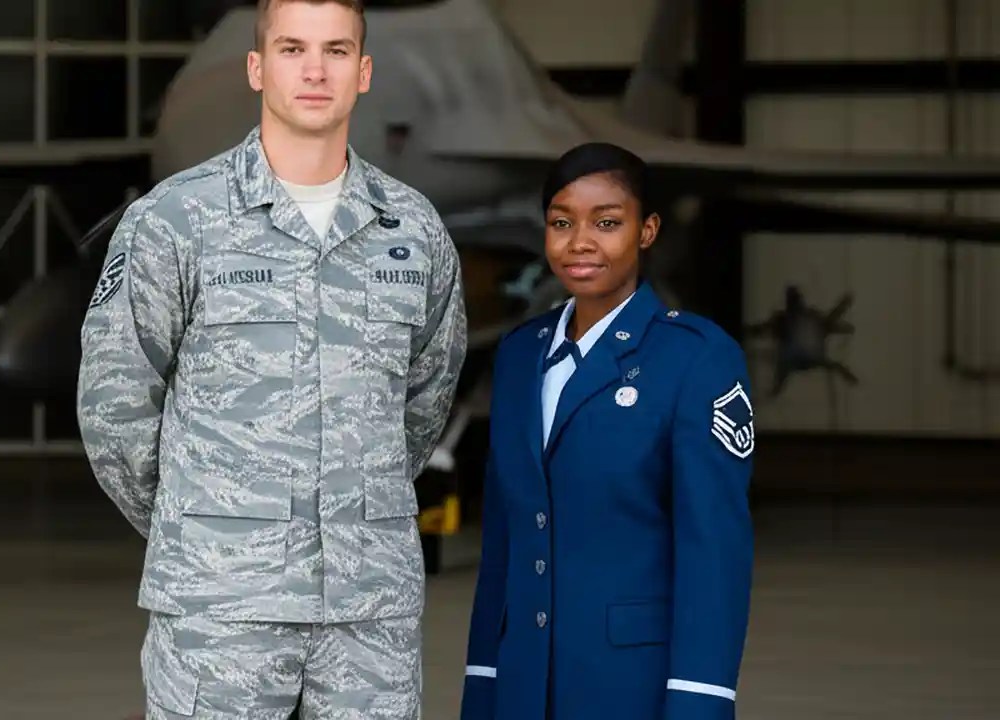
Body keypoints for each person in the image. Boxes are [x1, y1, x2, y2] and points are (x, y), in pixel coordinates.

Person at [76, 0, 468, 717]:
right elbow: (116, 406)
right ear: (257, 68)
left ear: (364, 71)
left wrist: (353, 509)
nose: (315, 70)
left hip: (367, 613)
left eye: (337, 51)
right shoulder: (176, 221)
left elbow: (423, 399)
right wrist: (207, 524)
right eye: (292, 49)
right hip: (221, 612)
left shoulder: (411, 231)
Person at [459, 142, 754, 720]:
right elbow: (505, 547)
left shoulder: (696, 359)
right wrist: (483, 686)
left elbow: (713, 556)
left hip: (630, 688)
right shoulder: (520, 356)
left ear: (647, 232)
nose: (580, 243)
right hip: (521, 686)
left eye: (608, 223)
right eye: (561, 223)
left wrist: (699, 703)